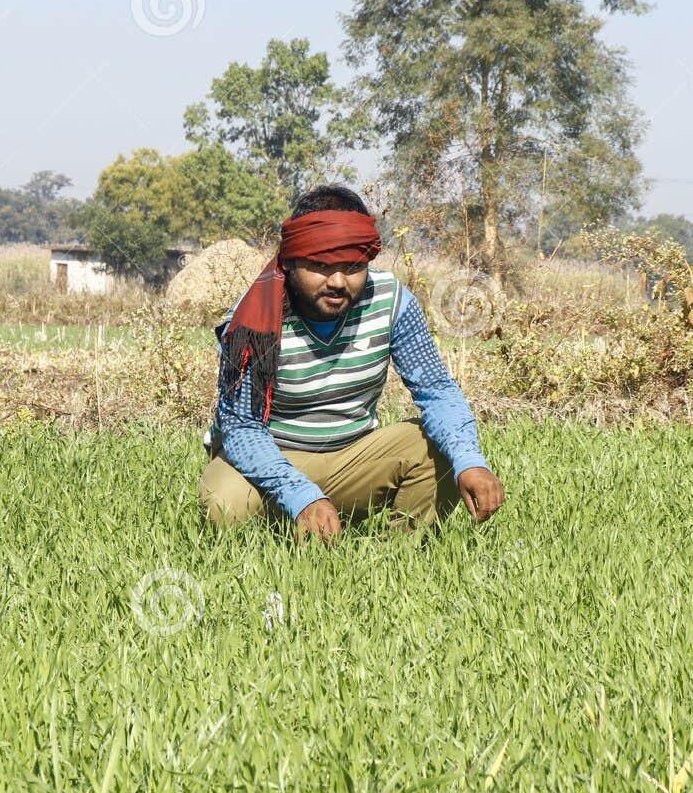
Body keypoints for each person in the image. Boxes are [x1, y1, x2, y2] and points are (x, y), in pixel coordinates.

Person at [197, 184, 506, 543]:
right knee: (225, 502)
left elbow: (436, 391)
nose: (338, 282)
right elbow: (240, 429)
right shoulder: (253, 319)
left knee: (441, 449)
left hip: (353, 459)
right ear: (292, 261)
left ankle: (401, 564)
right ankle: (271, 548)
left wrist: (470, 461)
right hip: (270, 460)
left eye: (352, 266)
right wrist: (301, 495)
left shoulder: (392, 301)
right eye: (321, 266)